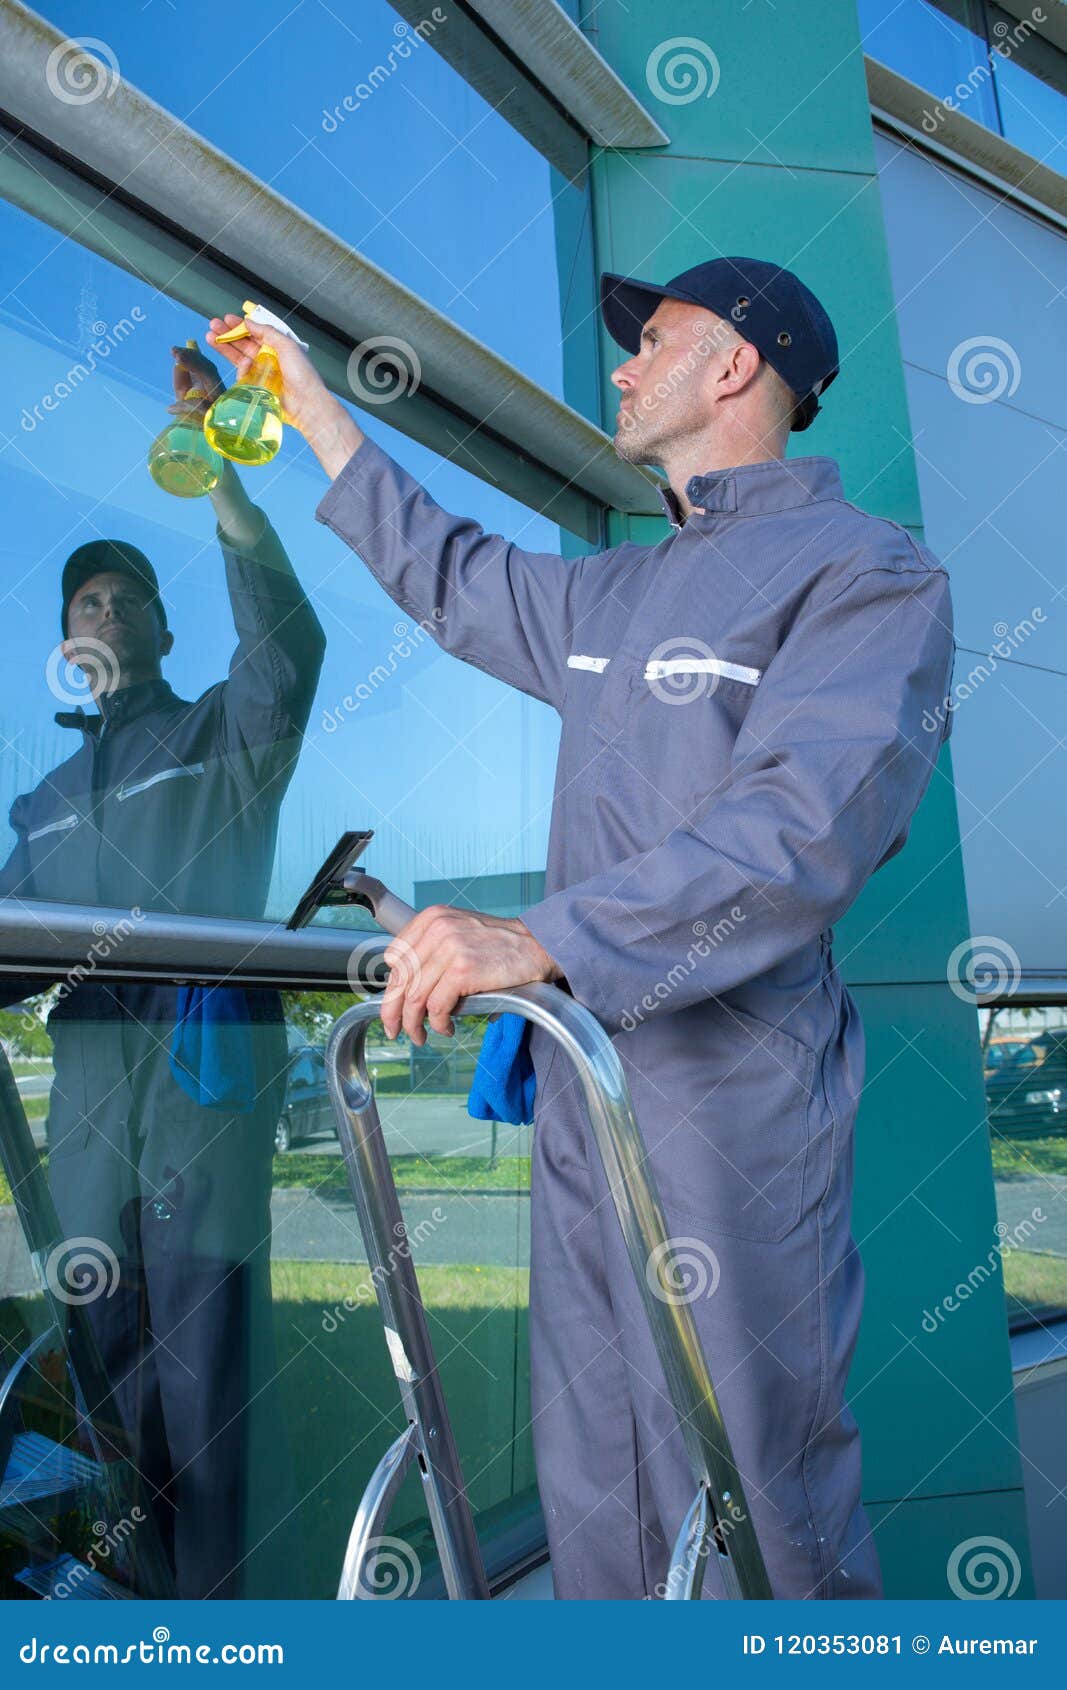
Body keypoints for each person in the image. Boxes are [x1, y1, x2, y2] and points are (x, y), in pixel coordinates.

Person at [207, 257, 955, 1600]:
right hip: (583, 1087)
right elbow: (446, 574)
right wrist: (314, 410)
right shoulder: (612, 593)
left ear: (733, 365)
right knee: (593, 1481)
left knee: (751, 1489)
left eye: (649, 341)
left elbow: (805, 827)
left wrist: (539, 937)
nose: (619, 366)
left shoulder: (868, 576)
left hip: (733, 1106)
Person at [0, 341, 325, 1597]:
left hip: (200, 1100)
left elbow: (287, 653)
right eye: (85, 602)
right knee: (103, 1373)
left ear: (164, 621)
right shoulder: (38, 806)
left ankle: (223, 1630)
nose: (105, 611)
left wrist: (224, 493)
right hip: (85, 1115)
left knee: (207, 1389)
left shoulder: (218, 739)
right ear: (65, 643)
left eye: (125, 596)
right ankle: (138, 1613)